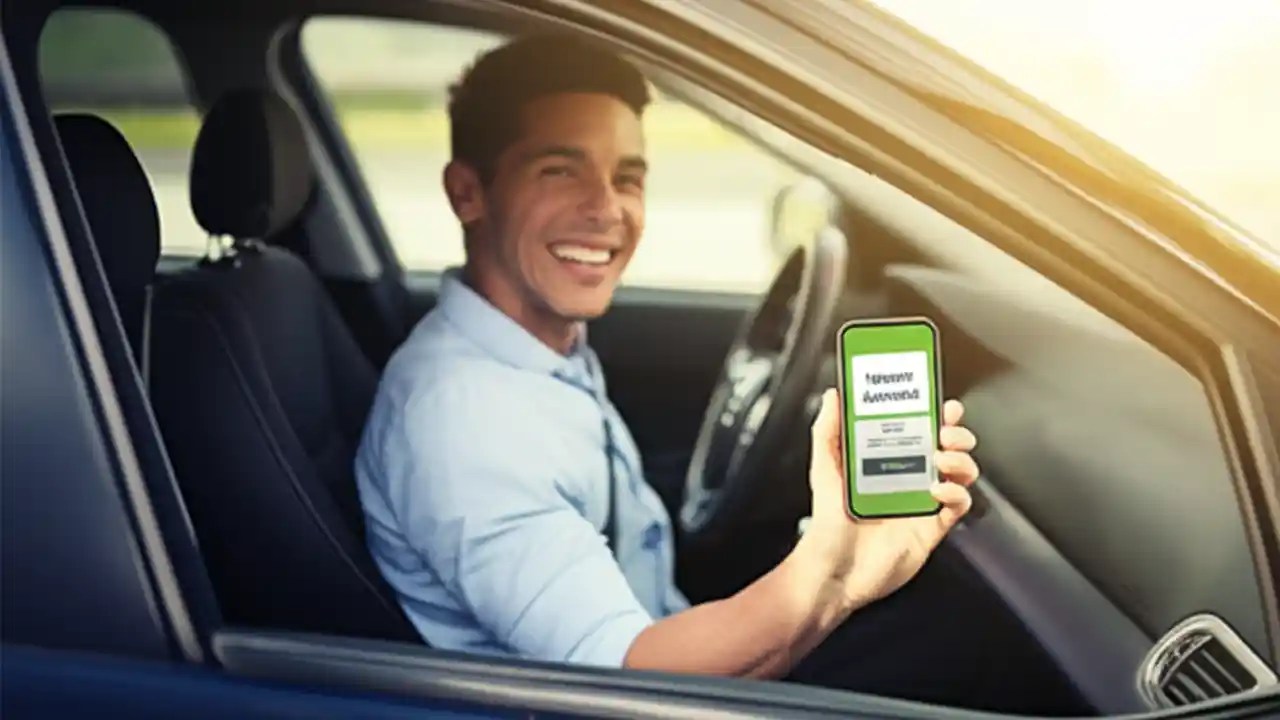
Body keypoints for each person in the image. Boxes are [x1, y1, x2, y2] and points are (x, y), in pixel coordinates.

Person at [355, 34, 983, 690]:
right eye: (559, 170)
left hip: (673, 636)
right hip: (647, 695)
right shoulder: (467, 423)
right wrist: (829, 570)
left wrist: (845, 568)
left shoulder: (534, 353)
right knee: (966, 647)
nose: (606, 209)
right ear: (468, 194)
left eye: (627, 177)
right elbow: (631, 677)